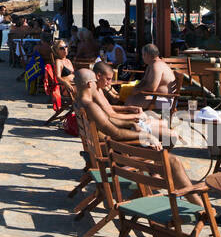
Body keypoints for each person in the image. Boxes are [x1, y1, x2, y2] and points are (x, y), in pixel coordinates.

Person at [73, 69, 200, 204]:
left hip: (105, 148)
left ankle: (160, 180)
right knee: (173, 162)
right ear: (89, 84)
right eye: (94, 82)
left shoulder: (80, 103)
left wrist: (132, 122)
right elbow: (116, 133)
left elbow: (110, 122)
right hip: (113, 153)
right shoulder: (90, 106)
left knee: (162, 152)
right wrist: (145, 136)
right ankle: (200, 207)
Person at [125, 44, 174, 110]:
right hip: (158, 97)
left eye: (143, 55)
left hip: (165, 101)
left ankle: (140, 119)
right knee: (130, 98)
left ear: (147, 55)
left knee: (130, 102)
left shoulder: (156, 66)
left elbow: (152, 87)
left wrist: (138, 90)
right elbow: (144, 81)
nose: (142, 57)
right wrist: (136, 88)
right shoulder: (151, 65)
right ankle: (141, 118)